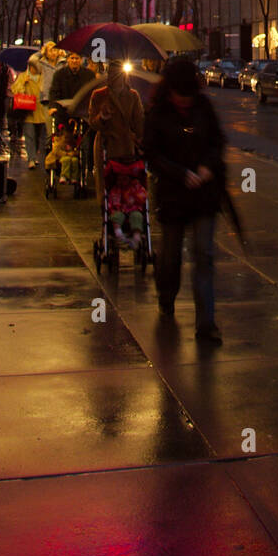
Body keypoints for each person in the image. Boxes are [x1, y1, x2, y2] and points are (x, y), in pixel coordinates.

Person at [143, 55, 227, 342]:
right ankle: (166, 296)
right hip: (174, 195)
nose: (185, 102)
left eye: (188, 96)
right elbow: (152, 154)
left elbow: (217, 141)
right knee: (171, 256)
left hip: (203, 194)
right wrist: (179, 173)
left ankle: (207, 323)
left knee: (204, 255)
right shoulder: (158, 113)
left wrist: (207, 167)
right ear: (170, 91)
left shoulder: (203, 107)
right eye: (180, 96)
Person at [89, 60, 146, 250]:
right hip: (107, 147)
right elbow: (93, 124)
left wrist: (140, 139)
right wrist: (102, 118)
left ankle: (132, 226)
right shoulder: (99, 96)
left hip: (128, 149)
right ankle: (110, 226)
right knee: (106, 189)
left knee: (132, 188)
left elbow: (139, 123)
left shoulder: (132, 96)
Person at [10, 56, 50, 168]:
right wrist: (23, 83)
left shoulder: (44, 77)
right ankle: (31, 159)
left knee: (38, 136)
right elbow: (15, 90)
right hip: (27, 110)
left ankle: (35, 155)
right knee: (29, 135)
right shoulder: (23, 76)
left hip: (41, 110)